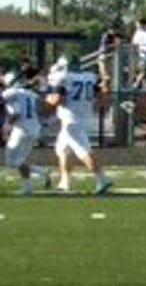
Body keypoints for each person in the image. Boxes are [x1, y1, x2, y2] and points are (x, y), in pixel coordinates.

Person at [44, 57, 113, 197]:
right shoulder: (89, 77)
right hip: (81, 116)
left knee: (83, 151)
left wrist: (47, 105)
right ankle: (65, 182)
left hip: (71, 119)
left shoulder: (64, 77)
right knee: (62, 149)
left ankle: (102, 179)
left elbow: (59, 99)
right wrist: (102, 104)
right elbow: (101, 93)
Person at [2, 69, 39, 197]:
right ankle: (36, 180)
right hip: (34, 128)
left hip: (21, 129)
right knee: (19, 160)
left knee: (11, 161)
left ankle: (34, 180)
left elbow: (16, 112)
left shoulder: (11, 93)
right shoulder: (30, 93)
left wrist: (6, 126)